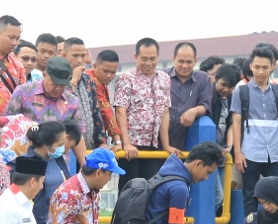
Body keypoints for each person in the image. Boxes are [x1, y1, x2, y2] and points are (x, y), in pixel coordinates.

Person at [231, 43, 278, 217]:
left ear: (272, 67)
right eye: (257, 67)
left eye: (265, 67)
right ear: (251, 66)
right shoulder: (241, 91)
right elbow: (236, 121)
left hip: (275, 152)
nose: (260, 71)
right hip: (251, 151)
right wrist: (237, 152)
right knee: (250, 195)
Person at [114, 37, 173, 188]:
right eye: (144, 59)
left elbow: (165, 112)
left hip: (153, 146)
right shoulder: (126, 78)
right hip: (132, 147)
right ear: (136, 57)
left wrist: (166, 145)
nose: (148, 63)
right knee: (130, 190)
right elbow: (120, 111)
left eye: (152, 59)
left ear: (158, 57)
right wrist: (126, 144)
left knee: (151, 189)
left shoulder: (165, 79)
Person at [7, 58, 87, 160]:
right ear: (44, 75)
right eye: (54, 83)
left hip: (57, 160)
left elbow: (77, 136)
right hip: (25, 157)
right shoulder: (23, 92)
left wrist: (84, 165)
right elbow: (9, 123)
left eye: (62, 85)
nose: (58, 88)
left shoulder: (72, 101)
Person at [22, 121, 69, 224]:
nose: (63, 148)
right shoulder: (28, 162)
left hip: (60, 223)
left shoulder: (57, 159)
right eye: (59, 145)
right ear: (46, 145)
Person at [167, 42, 213, 153]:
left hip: (187, 144)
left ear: (196, 60)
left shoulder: (203, 79)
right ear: (173, 59)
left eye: (189, 62)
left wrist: (195, 111)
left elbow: (206, 105)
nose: (185, 66)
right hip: (160, 143)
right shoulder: (162, 76)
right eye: (181, 61)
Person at [63, 37, 107, 150]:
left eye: (82, 56)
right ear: (64, 55)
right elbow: (61, 104)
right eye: (75, 56)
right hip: (66, 148)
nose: (79, 60)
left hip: (88, 147)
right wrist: (73, 81)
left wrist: (102, 141)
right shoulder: (58, 79)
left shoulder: (88, 80)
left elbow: (95, 112)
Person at [89, 49, 121, 142]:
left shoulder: (102, 83)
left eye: (113, 72)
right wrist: (117, 140)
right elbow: (106, 111)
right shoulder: (92, 81)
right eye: (105, 71)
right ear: (95, 66)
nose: (109, 76)